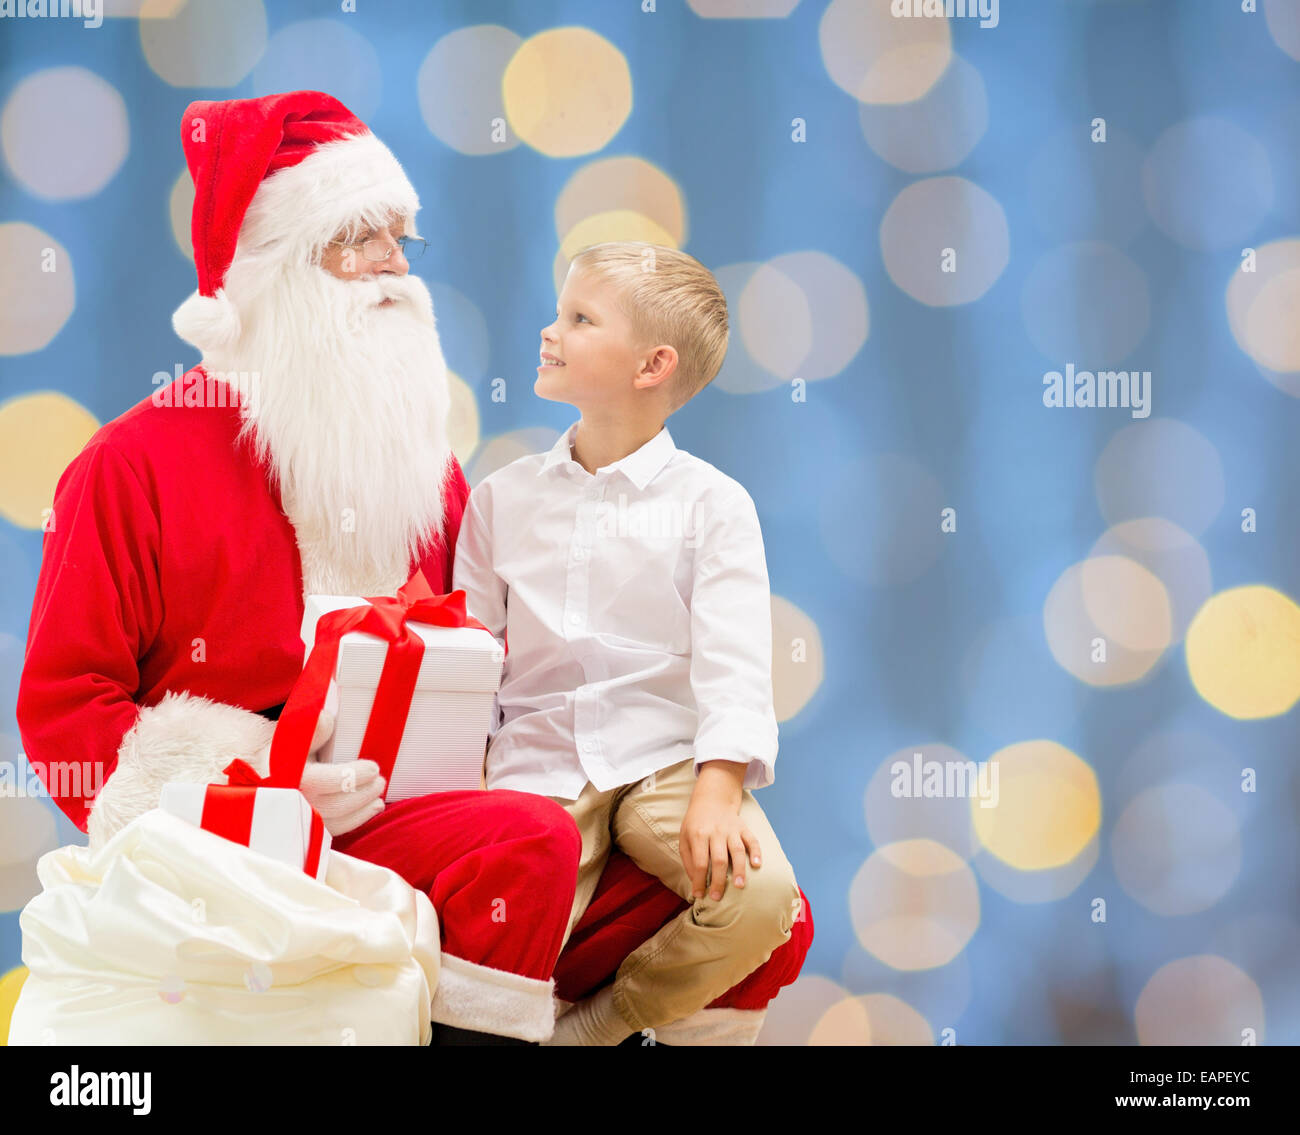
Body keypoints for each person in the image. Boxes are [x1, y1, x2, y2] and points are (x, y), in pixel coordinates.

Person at [14, 90, 582, 1044]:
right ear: (270, 274)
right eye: (354, 241)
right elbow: (68, 712)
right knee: (529, 845)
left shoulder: (424, 471)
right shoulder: (130, 466)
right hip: (230, 838)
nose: (393, 270)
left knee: (684, 895)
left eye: (400, 240)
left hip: (420, 811)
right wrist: (256, 782)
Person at [452, 241, 803, 1046]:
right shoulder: (502, 499)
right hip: (535, 762)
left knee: (761, 897)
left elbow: (735, 659)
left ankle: (602, 1027)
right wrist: (465, 775)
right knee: (497, 932)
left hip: (664, 758)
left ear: (652, 366)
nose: (550, 331)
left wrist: (719, 786)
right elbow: (471, 654)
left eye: (579, 319)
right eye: (557, 311)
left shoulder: (713, 504)